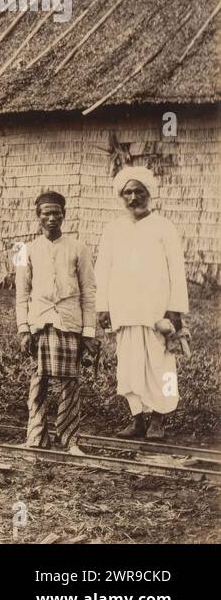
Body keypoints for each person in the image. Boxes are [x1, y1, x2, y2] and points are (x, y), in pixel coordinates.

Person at [96, 167, 189, 441]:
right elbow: (104, 270)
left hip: (156, 312)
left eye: (139, 191)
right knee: (128, 366)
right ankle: (136, 419)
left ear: (149, 194)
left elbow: (176, 271)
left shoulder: (164, 227)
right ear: (121, 196)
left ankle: (159, 419)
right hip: (125, 311)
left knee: (161, 365)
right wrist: (104, 306)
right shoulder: (113, 229)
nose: (133, 197)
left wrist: (174, 310)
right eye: (128, 192)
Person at [16, 191, 98, 451]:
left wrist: (89, 333)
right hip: (39, 324)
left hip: (68, 324)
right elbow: (21, 294)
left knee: (70, 384)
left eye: (56, 213)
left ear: (64, 215)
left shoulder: (79, 248)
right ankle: (36, 437)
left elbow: (89, 292)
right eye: (46, 213)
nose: (52, 218)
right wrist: (23, 330)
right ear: (37, 216)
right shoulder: (23, 250)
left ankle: (70, 439)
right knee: (38, 383)